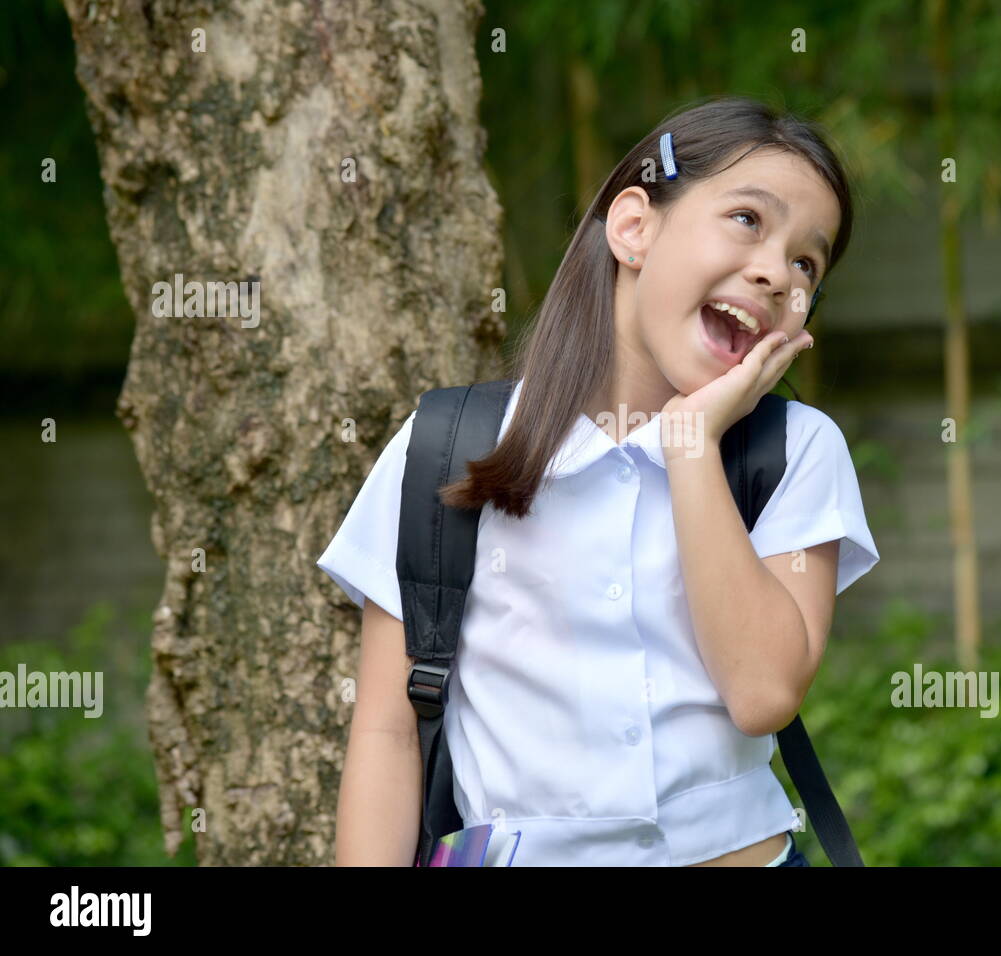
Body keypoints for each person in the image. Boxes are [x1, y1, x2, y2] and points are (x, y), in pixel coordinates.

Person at [319, 95, 880, 866]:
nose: (774, 272)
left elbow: (762, 694)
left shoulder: (796, 450)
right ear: (633, 228)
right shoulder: (447, 448)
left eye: (807, 261)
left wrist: (691, 447)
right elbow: (386, 733)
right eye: (749, 220)